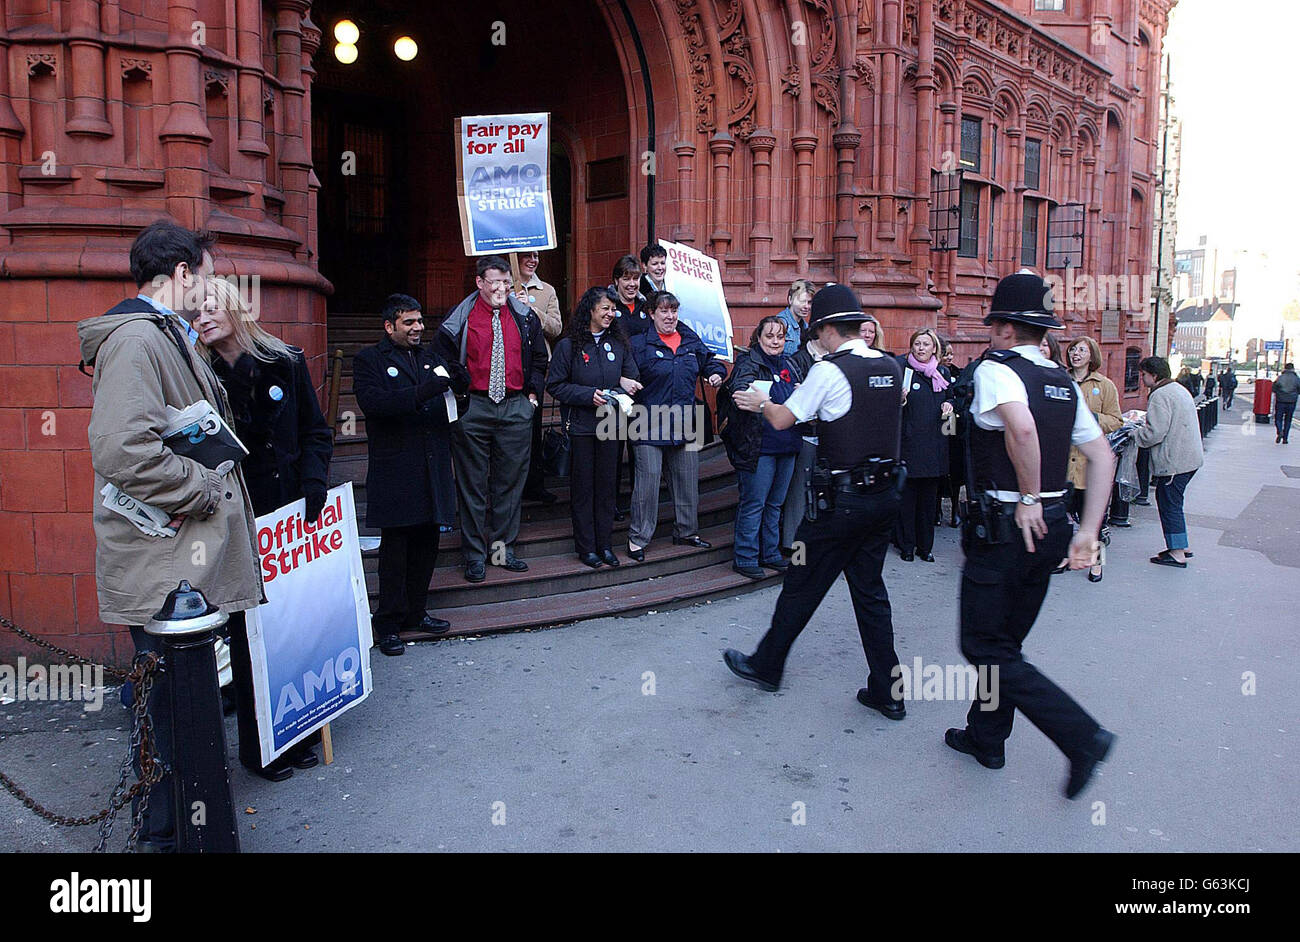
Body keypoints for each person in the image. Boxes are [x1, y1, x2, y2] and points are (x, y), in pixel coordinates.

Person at [78, 220, 262, 850]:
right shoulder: (138, 340)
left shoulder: (162, 335)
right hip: (164, 562)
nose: (210, 290)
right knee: (168, 708)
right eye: (205, 276)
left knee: (178, 707)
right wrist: (203, 489)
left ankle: (179, 824)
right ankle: (166, 833)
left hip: (179, 559)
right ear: (181, 273)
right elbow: (123, 450)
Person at [943, 271, 1116, 800]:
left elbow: (1020, 429)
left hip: (1008, 525)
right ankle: (987, 738)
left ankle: (1081, 736)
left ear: (1003, 327)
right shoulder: (1063, 382)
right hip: (1055, 525)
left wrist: (1028, 497)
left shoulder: (998, 370)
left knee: (981, 644)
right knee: (1005, 643)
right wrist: (1088, 533)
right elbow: (1102, 456)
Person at [721, 284, 907, 718]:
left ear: (826, 328)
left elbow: (784, 418)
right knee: (871, 594)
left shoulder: (829, 370)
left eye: (816, 329)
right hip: (883, 498)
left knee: (801, 583)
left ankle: (767, 664)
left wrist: (761, 401)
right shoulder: (890, 365)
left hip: (840, 504)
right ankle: (889, 690)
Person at [195, 275, 333, 778]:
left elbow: (315, 431)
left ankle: (298, 729)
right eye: (195, 312)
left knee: (292, 624)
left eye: (210, 307)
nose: (202, 318)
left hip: (291, 514)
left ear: (235, 308)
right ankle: (262, 749)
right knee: (248, 631)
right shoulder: (198, 378)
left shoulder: (286, 361)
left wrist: (314, 482)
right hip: (236, 520)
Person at [353, 294, 462, 654]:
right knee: (395, 553)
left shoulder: (430, 358)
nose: (418, 328)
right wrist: (423, 391)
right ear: (390, 326)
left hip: (432, 468)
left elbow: (449, 407)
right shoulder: (369, 360)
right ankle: (387, 622)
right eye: (409, 322)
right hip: (396, 471)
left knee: (426, 547)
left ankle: (417, 611)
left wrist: (461, 386)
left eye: (420, 321)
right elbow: (375, 404)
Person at [434, 257, 549, 583]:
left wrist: (531, 396)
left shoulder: (525, 317)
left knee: (509, 485)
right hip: (474, 408)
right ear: (480, 283)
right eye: (495, 282)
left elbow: (540, 359)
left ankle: (501, 551)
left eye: (506, 282)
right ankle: (473, 556)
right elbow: (440, 359)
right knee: (472, 485)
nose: (501, 288)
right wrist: (459, 394)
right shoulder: (461, 317)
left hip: (515, 408)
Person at [626, 291, 727, 560]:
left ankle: (686, 531)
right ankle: (638, 538)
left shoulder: (689, 339)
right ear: (651, 314)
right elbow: (623, 374)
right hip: (647, 421)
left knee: (687, 482)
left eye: (674, 311)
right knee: (647, 485)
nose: (670, 316)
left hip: (684, 421)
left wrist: (716, 373)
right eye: (664, 311)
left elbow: (710, 361)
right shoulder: (638, 344)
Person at [546, 287, 643, 567]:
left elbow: (631, 376)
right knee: (583, 489)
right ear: (590, 310)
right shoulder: (569, 346)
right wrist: (587, 396)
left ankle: (605, 545)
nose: (611, 314)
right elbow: (555, 385)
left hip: (611, 425)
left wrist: (622, 385)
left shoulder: (619, 344)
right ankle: (586, 547)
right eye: (605, 309)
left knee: (607, 488)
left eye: (613, 310)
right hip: (582, 425)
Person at [724, 317, 805, 578]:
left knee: (775, 504)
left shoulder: (790, 363)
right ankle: (745, 557)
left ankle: (770, 554)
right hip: (758, 446)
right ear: (758, 337)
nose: (775, 341)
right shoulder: (748, 362)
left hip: (788, 444)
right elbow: (739, 393)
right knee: (754, 504)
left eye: (780, 337)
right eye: (769, 336)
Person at [1132, 356, 1204, 567]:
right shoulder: (1178, 389)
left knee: (1169, 503)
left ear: (1154, 376)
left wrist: (1135, 434)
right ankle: (1181, 545)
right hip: (1189, 458)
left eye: (1144, 374)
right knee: (1175, 502)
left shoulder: (1159, 395)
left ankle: (1177, 553)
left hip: (1174, 461)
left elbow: (1155, 433)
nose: (1142, 379)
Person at [1065, 336, 1122, 582]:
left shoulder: (1105, 385)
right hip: (1063, 463)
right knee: (1061, 515)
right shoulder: (1061, 381)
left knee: (1094, 520)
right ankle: (1064, 555)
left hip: (1088, 465)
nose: (1076, 353)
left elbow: (1116, 420)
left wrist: (1091, 419)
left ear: (1092, 356)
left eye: (1082, 350)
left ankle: (1097, 563)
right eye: (1073, 349)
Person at [896, 327, 952, 562]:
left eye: (926, 344)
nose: (921, 348)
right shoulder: (903, 369)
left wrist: (949, 405)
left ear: (934, 348)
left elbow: (950, 397)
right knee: (907, 501)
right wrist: (900, 400)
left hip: (934, 446)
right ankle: (907, 546)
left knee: (928, 503)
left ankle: (925, 547)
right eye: (917, 344)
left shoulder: (942, 372)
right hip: (910, 444)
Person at [516, 250, 563, 505]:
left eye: (536, 255)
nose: (533, 260)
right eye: (527, 255)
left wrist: (531, 310)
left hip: (535, 365)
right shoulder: (503, 287)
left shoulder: (547, 290)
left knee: (533, 427)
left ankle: (535, 484)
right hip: (509, 365)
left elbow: (556, 328)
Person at [781, 331, 826, 551]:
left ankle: (816, 545)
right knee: (799, 492)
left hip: (826, 434)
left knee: (821, 491)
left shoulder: (833, 359)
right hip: (803, 434)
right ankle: (794, 546)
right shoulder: (797, 360)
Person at [610, 254, 650, 335]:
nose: (632, 284)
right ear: (616, 281)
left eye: (635, 279)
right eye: (626, 279)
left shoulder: (646, 306)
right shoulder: (609, 307)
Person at [775, 280, 814, 356]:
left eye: (809, 302)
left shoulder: (805, 326)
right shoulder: (781, 323)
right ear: (790, 300)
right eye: (802, 301)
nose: (806, 306)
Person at [1272, 362, 1298, 443]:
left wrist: (1279, 393)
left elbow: (1274, 388)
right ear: (1293, 369)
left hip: (1280, 401)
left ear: (1285, 368)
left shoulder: (1280, 378)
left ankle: (1280, 431)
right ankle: (1285, 439)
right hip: (1292, 401)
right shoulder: (1296, 378)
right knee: (1288, 420)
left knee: (1278, 418)